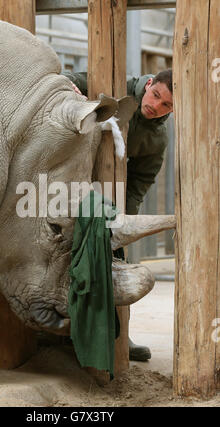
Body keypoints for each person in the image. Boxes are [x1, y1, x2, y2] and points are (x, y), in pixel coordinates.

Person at [63, 69, 173, 361]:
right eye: (157, 95)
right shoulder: (113, 83)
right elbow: (68, 79)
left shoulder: (157, 139)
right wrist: (68, 88)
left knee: (115, 265)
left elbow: (139, 185)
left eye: (166, 106)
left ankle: (119, 335)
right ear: (149, 84)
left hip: (109, 202)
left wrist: (123, 221)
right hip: (68, 182)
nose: (156, 106)